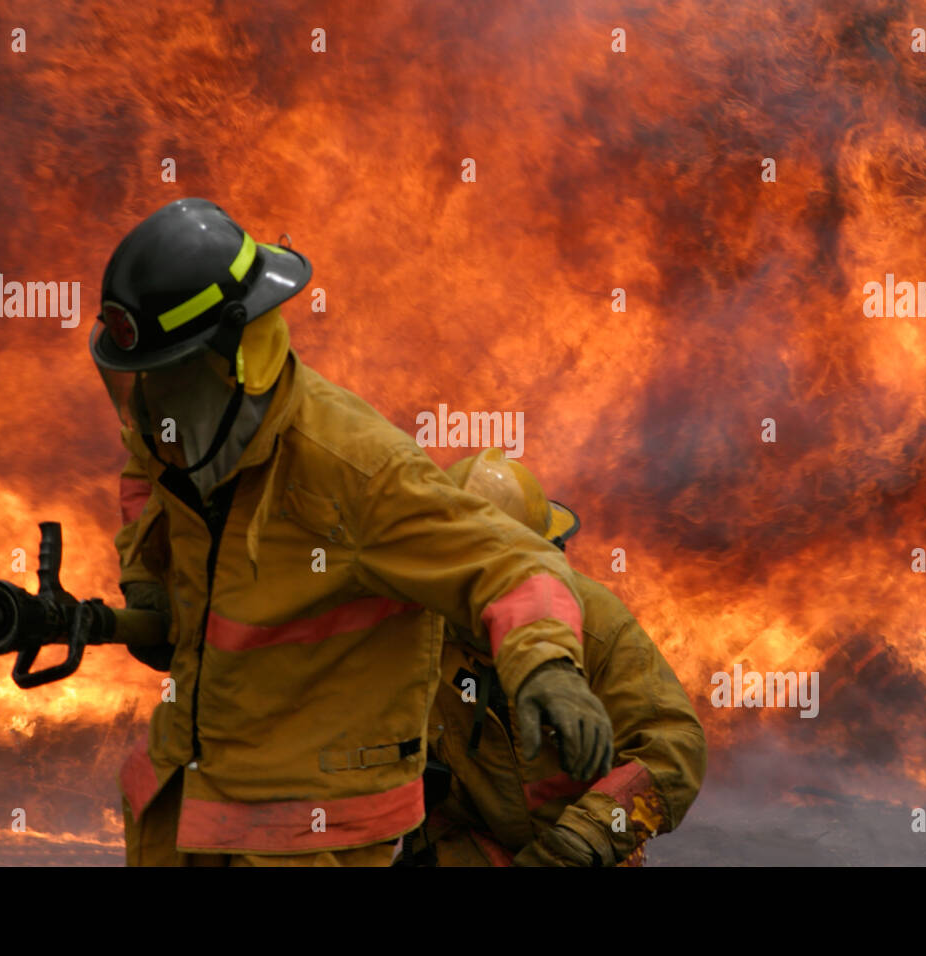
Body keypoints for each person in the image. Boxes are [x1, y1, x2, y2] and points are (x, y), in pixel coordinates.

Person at [95, 198, 614, 865]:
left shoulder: (358, 469)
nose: (146, 405)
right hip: (181, 812)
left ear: (233, 352)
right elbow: (146, 481)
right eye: (139, 381)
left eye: (166, 379)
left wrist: (548, 667)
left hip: (302, 837)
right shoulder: (184, 433)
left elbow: (510, 564)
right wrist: (147, 589)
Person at [406, 449, 707, 866]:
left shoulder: (597, 624)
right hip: (467, 848)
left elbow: (672, 746)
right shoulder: (415, 626)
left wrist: (580, 842)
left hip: (582, 852)